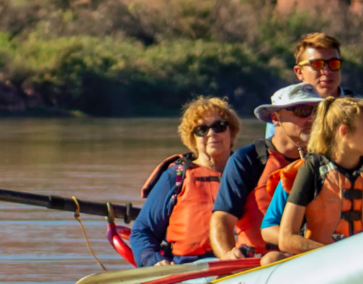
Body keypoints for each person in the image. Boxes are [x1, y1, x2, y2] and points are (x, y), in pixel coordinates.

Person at [271, 33, 363, 197]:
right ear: (299, 72)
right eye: (317, 64)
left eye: (334, 64)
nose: (326, 71)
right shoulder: (282, 114)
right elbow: (272, 168)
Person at [270, 96, 363, 263]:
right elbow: (286, 239)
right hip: (320, 261)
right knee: (270, 259)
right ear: (344, 132)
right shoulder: (312, 168)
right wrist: (336, 254)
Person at [207, 83, 321, 259]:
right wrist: (227, 255)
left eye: (318, 112)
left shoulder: (326, 160)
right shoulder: (246, 159)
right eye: (303, 111)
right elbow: (222, 218)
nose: (312, 119)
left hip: (313, 256)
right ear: (276, 118)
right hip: (259, 263)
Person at [129, 97, 241, 267]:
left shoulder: (249, 172)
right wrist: (152, 261)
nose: (212, 133)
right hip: (188, 267)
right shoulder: (176, 175)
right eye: (202, 130)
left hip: (243, 265)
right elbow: (142, 231)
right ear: (192, 139)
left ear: (231, 132)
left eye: (219, 126)